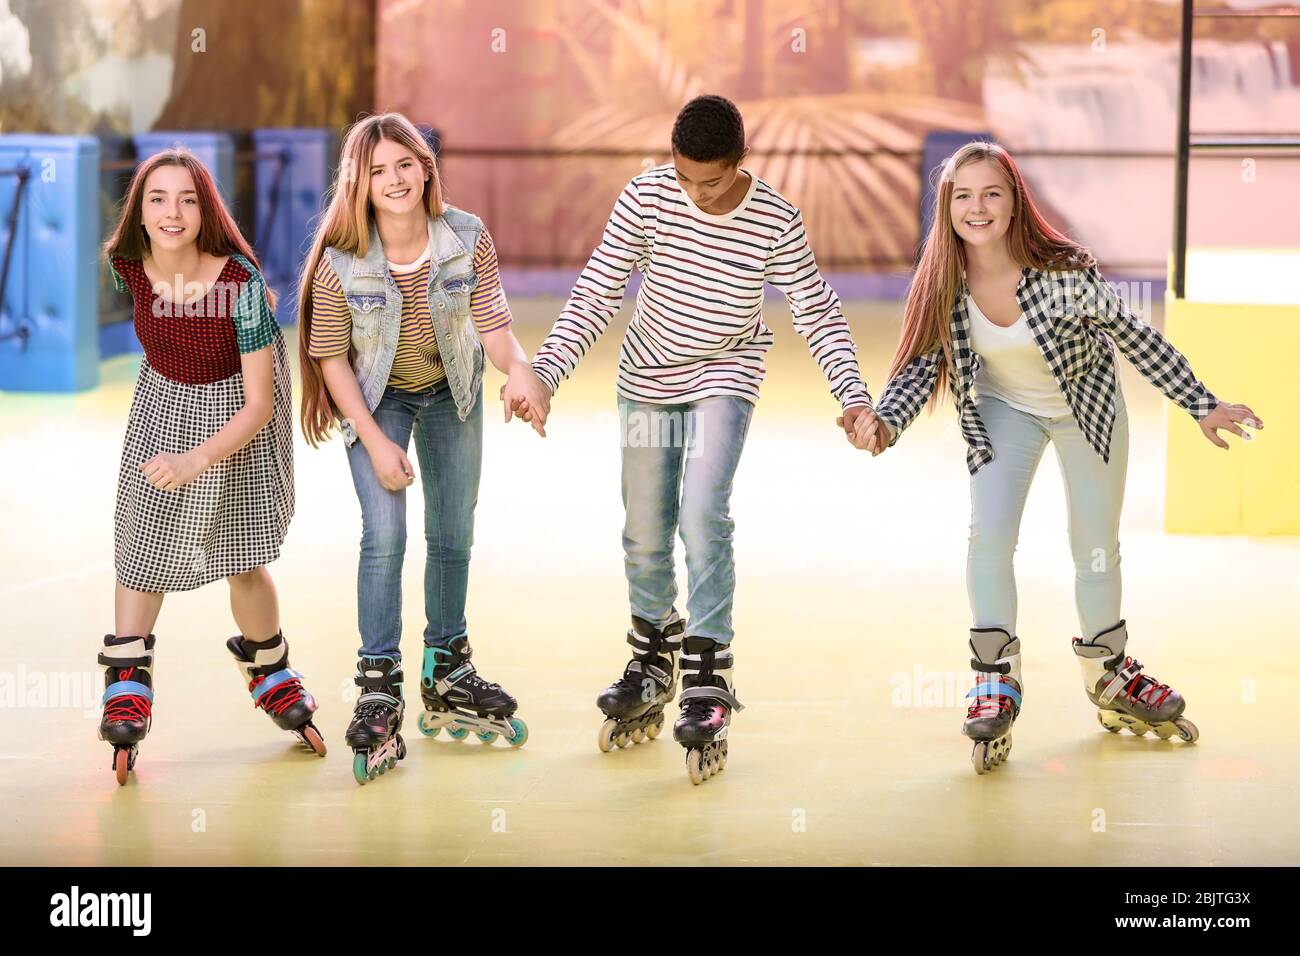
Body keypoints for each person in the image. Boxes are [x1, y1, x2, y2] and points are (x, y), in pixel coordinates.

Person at [854, 141, 1261, 774]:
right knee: (988, 538)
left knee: (1093, 545)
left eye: (992, 193)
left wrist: (1200, 403)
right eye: (964, 196)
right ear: (947, 206)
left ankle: (1110, 673)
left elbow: (1135, 336)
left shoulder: (1065, 273)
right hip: (1003, 410)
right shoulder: (944, 282)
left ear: (1015, 201)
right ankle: (995, 677)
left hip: (1086, 409)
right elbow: (920, 367)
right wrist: (884, 421)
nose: (978, 207)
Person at [297, 113, 548, 785]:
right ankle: (379, 684)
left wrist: (520, 370)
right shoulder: (341, 258)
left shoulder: (466, 236)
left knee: (453, 531)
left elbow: (493, 325)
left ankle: (448, 667)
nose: (395, 179)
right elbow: (330, 359)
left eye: (405, 163)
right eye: (378, 170)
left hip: (451, 392)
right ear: (359, 182)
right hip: (376, 400)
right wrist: (374, 439)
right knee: (384, 535)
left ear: (425, 167)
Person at [100, 148, 321, 786]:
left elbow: (259, 403)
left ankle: (271, 668)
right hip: (162, 405)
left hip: (237, 414)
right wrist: (173, 444)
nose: (172, 212)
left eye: (187, 199)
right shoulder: (127, 265)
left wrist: (197, 457)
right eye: (158, 199)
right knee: (143, 547)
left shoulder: (239, 285)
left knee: (242, 555)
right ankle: (127, 682)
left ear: (206, 211)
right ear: (139, 211)